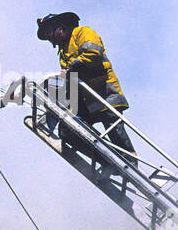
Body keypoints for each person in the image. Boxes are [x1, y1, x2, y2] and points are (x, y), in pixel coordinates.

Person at [35, 12, 136, 161]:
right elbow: (71, 79)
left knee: (113, 127)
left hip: (105, 92)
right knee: (67, 132)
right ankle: (106, 160)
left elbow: (93, 53)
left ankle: (130, 161)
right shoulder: (63, 51)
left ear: (60, 27)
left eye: (49, 32)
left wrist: (70, 69)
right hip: (86, 99)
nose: (50, 38)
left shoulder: (82, 33)